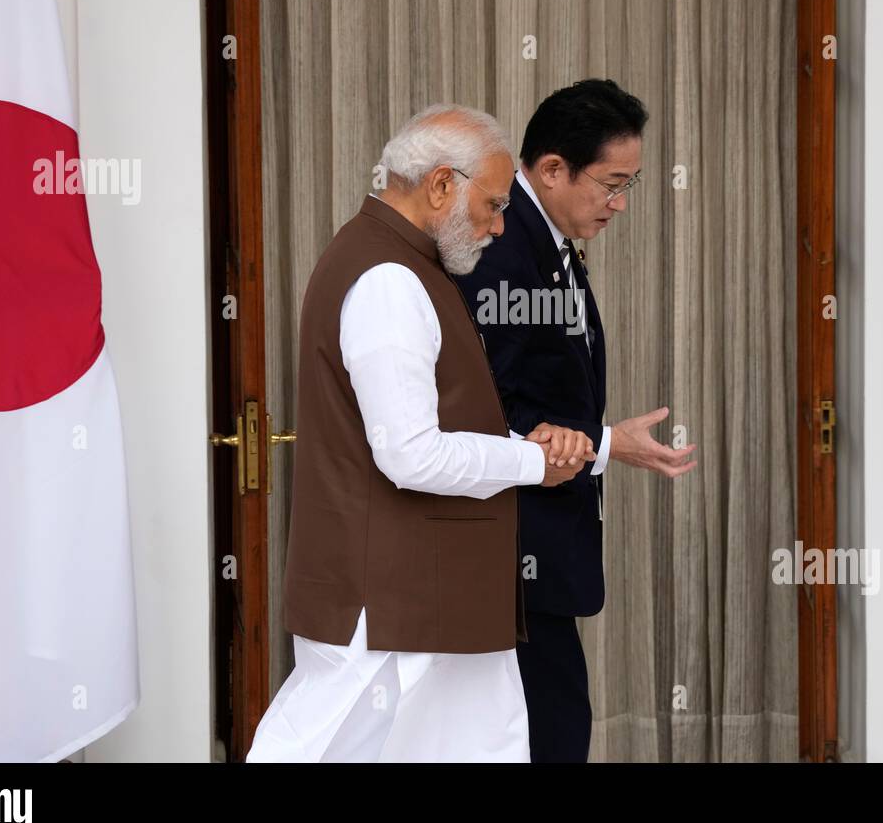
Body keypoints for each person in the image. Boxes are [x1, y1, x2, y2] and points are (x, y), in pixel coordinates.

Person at [247, 104, 596, 762]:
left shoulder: (396, 263)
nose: (499, 226)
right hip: (389, 605)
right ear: (440, 185)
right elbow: (410, 455)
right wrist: (531, 462)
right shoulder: (388, 280)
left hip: (421, 600)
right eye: (492, 205)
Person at [456, 79, 698, 763]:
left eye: (631, 185)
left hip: (539, 536)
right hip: (508, 539)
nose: (620, 205)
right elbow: (481, 406)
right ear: (553, 168)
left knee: (552, 724)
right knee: (547, 731)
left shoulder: (546, 238)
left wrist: (600, 441)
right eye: (610, 184)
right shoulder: (506, 249)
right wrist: (599, 446)